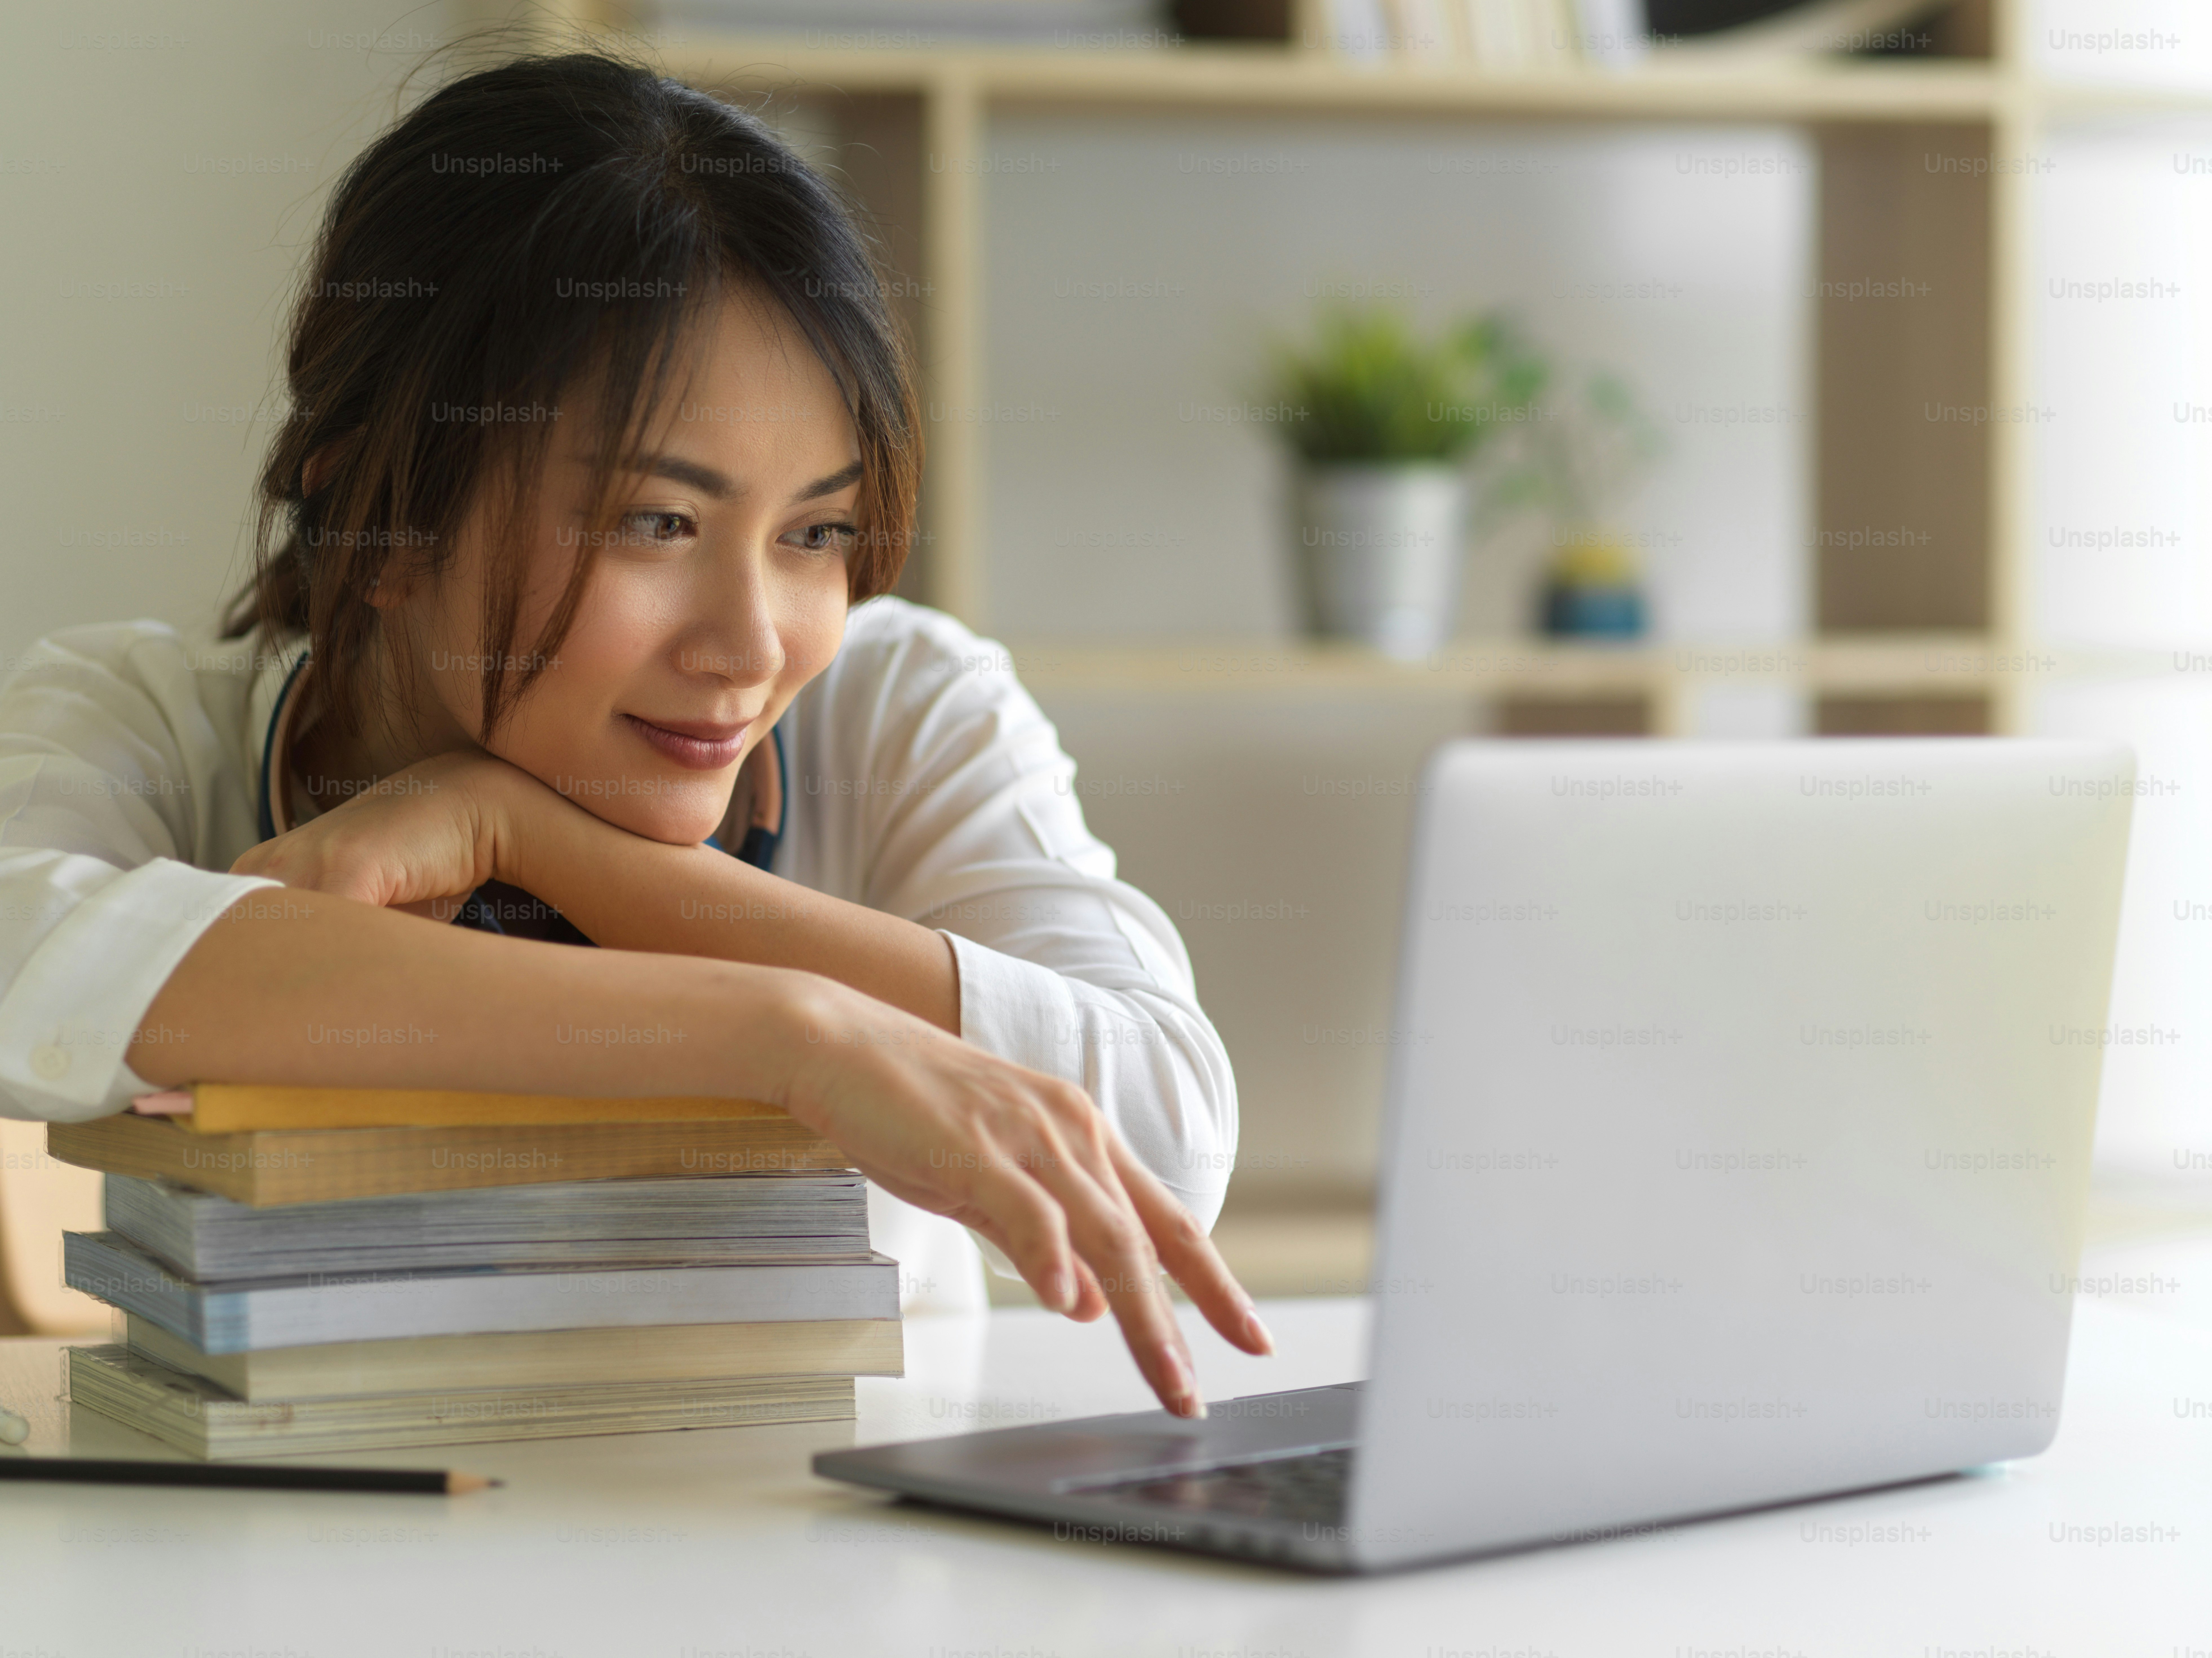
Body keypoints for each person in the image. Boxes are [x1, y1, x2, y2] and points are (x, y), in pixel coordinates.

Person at [0, 50, 1265, 1416]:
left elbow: (1165, 1129)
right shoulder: (140, 723)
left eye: (817, 533)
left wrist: (533, 837)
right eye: (656, 523)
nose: (753, 643)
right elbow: (35, 964)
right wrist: (791, 1035)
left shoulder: (903, 707)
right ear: (376, 518)